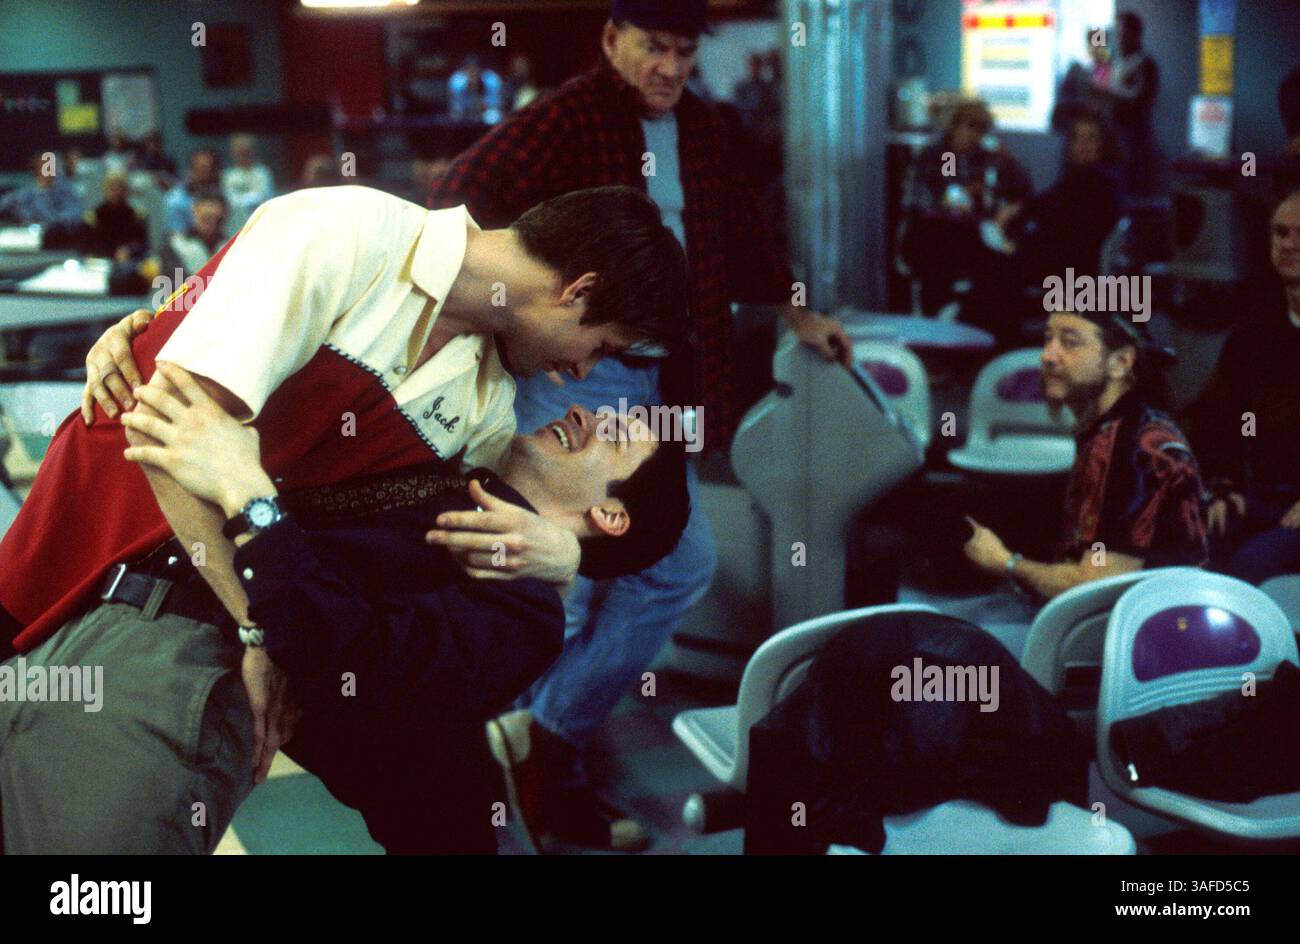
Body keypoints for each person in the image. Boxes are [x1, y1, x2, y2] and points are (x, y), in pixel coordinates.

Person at [0, 183, 689, 853]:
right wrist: (261, 628)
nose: (576, 375)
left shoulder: (486, 407)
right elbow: (167, 428)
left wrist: (568, 558)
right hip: (70, 557)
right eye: (598, 347)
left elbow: (379, 592)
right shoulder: (347, 232)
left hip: (175, 646)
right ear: (580, 291)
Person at [429, 0, 851, 851]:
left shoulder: (701, 125)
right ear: (612, 40)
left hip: (658, 374)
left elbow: (738, 225)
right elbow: (452, 200)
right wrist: (498, 313)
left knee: (671, 563)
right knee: (568, 586)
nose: (668, 67)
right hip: (570, 364)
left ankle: (540, 734)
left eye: (685, 51)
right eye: (653, 47)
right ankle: (544, 779)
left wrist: (795, 311)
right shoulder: (564, 119)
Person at [963, 310, 1207, 606]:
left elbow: (1098, 586)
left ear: (1120, 363)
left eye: (1070, 342)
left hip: (1135, 632)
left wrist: (1006, 563)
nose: (1047, 356)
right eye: (1048, 339)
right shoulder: (1112, 426)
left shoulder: (1136, 445)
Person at [1184, 191, 1300, 584]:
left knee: (1251, 568)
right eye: (1281, 232)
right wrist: (1221, 484)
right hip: (1261, 494)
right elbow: (1215, 419)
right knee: (1190, 545)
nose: (1289, 243)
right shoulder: (1253, 334)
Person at [962, 115, 1122, 346]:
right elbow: (1045, 203)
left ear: (1104, 145)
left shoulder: (1099, 184)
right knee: (988, 266)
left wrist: (1017, 247)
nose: (1082, 145)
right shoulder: (1076, 178)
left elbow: (1064, 234)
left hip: (1070, 271)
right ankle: (980, 347)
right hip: (1058, 261)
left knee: (992, 272)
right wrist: (1020, 209)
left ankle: (983, 351)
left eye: (1091, 138)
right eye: (1076, 138)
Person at [899, 98, 1033, 315]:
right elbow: (948, 196)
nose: (974, 136)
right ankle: (941, 311)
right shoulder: (943, 155)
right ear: (954, 125)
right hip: (932, 234)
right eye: (970, 128)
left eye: (981, 131)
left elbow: (1020, 191)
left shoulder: (984, 158)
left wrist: (1008, 161)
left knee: (1004, 262)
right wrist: (971, 190)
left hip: (968, 234)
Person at [1097, 11, 1159, 200]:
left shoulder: (1145, 64)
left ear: (1135, 34)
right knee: (1111, 181)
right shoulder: (1115, 61)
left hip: (1133, 132)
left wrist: (1111, 92)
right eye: (1118, 33)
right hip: (1113, 129)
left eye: (1123, 33)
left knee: (1131, 184)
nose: (1119, 38)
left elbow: (1141, 100)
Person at [0, 153, 85, 229]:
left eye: (50, 167)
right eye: (42, 167)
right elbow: (7, 203)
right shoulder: (26, 192)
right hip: (26, 234)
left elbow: (75, 212)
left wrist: (53, 221)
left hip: (57, 234)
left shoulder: (65, 191)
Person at [159, 190, 228, 279]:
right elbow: (175, 281)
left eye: (218, 220)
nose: (212, 224)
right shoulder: (175, 244)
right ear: (195, 210)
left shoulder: (233, 247)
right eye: (207, 218)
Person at [82, 172, 148, 260]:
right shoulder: (94, 216)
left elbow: (143, 245)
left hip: (128, 262)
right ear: (105, 190)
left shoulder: (137, 215)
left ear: (126, 190)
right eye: (111, 188)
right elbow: (87, 246)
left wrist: (129, 250)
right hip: (101, 262)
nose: (115, 192)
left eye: (119, 188)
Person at [221, 135, 275, 234]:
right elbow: (231, 200)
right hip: (236, 226)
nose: (243, 154)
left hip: (260, 224)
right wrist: (252, 196)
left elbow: (265, 198)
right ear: (233, 153)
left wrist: (244, 197)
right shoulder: (228, 175)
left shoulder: (262, 173)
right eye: (239, 151)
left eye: (246, 151)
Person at [163, 148, 221, 237]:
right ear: (191, 170)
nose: (208, 172)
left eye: (212, 168)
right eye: (203, 168)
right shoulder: (175, 200)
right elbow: (176, 236)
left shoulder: (222, 196)